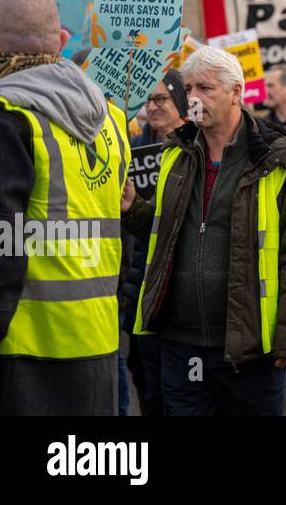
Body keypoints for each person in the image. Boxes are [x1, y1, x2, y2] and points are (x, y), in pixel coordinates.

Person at [122, 45, 286, 415]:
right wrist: (134, 210)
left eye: (206, 89)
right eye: (190, 88)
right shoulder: (175, 155)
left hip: (248, 347)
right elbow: (169, 233)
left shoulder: (276, 162)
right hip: (181, 343)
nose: (194, 98)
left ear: (236, 93)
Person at [0, 0, 129, 415]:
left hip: (24, 346)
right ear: (61, 41)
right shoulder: (112, 118)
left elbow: (4, 245)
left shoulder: (8, 117)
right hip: (98, 340)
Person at [121, 70, 189, 417]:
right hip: (141, 285)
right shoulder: (134, 152)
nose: (151, 107)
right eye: (147, 101)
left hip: (180, 291)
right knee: (149, 387)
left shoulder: (197, 151)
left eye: (160, 99)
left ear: (180, 102)